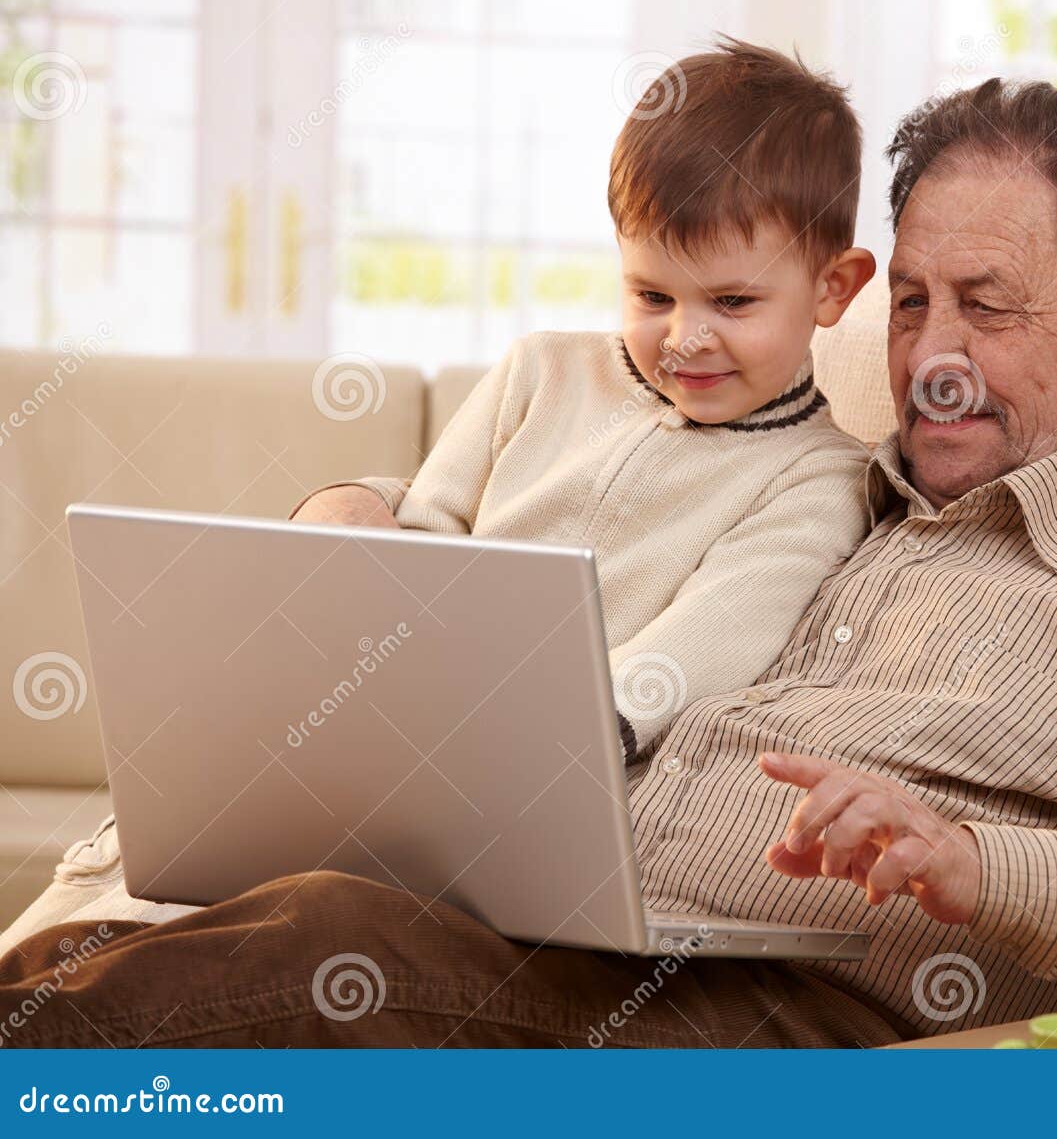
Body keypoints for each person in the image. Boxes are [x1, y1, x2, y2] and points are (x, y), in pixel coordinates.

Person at [0, 79, 1057, 1048]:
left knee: (309, 946)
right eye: (913, 304)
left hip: (797, 1018)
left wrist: (980, 863)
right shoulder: (833, 478)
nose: (932, 358)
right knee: (147, 939)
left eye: (991, 310)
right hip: (557, 932)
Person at [294, 38, 877, 761]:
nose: (686, 338)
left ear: (833, 288)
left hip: (554, 769)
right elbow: (426, 539)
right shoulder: (539, 371)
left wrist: (536, 738)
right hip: (405, 732)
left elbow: (704, 642)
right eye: (652, 295)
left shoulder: (821, 477)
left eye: (732, 301)